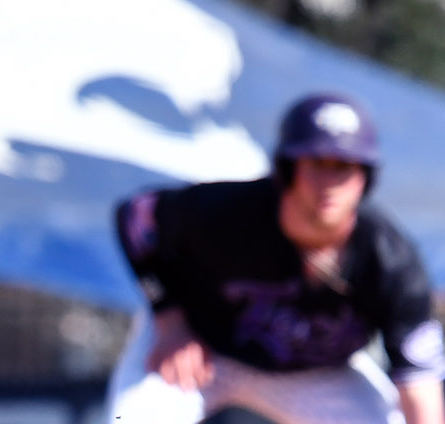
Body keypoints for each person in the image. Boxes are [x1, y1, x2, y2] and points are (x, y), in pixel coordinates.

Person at [106, 92, 445, 424]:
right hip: (199, 352)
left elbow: (419, 382)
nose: (329, 183)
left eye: (343, 166)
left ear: (364, 178)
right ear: (287, 169)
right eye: (317, 163)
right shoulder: (227, 213)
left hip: (315, 376)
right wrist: (169, 317)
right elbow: (135, 218)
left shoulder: (391, 262)